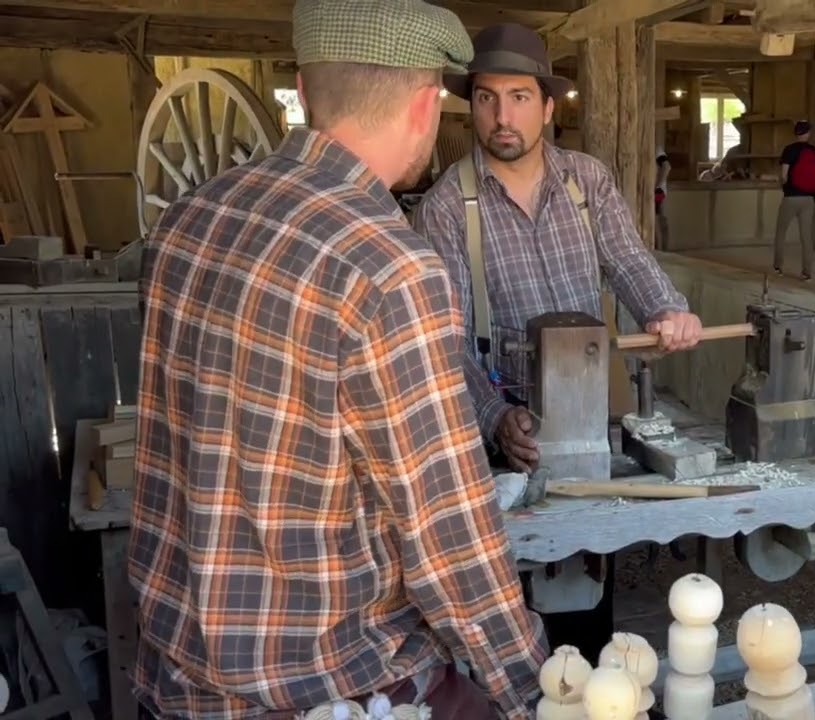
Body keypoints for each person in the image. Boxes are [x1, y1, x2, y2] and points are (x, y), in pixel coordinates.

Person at [127, 2, 547, 718]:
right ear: (424, 106)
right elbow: (448, 533)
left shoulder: (190, 219)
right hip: (329, 690)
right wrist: (538, 687)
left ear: (302, 84)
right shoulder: (390, 268)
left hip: (179, 675)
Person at [411, 22, 701, 662]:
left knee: (588, 594)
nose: (501, 115)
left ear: (547, 106)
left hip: (584, 423)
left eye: (519, 97)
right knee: (509, 613)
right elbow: (446, 341)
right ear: (471, 105)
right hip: (504, 442)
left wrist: (666, 308)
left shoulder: (586, 183)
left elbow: (627, 259)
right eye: (487, 97)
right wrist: (495, 420)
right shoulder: (445, 208)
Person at [774, 121, 815, 280]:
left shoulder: (789, 150)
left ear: (795, 134)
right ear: (808, 134)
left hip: (791, 198)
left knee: (781, 232)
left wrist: (785, 185)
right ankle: (807, 272)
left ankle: (778, 267)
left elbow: (784, 175)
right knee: (806, 236)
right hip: (809, 199)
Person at [656, 145, 672, 249]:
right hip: (656, 190)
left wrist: (657, 185)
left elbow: (666, 166)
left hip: (658, 191)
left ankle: (663, 249)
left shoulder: (656, 149)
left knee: (658, 219)